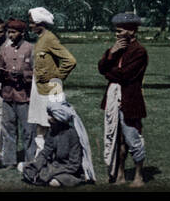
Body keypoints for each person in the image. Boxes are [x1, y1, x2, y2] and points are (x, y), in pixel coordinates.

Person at [99, 11, 149, 186]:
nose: (117, 34)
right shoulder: (116, 49)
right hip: (113, 100)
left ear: (132, 31)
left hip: (130, 101)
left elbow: (126, 75)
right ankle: (119, 174)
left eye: (120, 31)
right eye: (116, 31)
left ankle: (138, 176)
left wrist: (108, 72)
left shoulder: (139, 52)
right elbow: (101, 66)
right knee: (117, 140)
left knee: (132, 138)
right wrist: (112, 53)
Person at [28, 6, 76, 151]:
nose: (29, 25)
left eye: (31, 22)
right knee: (40, 123)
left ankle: (52, 155)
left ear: (39, 23)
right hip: (39, 87)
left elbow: (70, 60)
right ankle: (40, 155)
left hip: (52, 89)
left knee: (52, 123)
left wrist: (55, 77)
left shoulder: (49, 39)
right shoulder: (41, 39)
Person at [22, 99, 94, 187]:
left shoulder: (72, 135)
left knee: (55, 182)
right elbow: (45, 152)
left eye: (51, 116)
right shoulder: (52, 131)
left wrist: (51, 171)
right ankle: (44, 176)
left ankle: (48, 178)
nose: (48, 119)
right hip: (55, 166)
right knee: (27, 169)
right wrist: (35, 166)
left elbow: (74, 165)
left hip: (68, 171)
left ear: (59, 120)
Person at [0, 17, 35, 168]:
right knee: (8, 128)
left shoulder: (30, 49)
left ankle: (30, 161)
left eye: (13, 32)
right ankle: (10, 161)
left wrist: (24, 75)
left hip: (24, 96)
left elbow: (36, 72)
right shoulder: (5, 49)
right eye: (9, 32)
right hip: (7, 95)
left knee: (28, 130)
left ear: (22, 32)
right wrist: (0, 72)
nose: (10, 35)